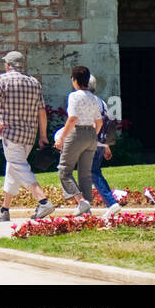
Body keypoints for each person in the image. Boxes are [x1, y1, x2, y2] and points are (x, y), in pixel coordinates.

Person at [0, 50, 55, 222]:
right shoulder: (34, 82)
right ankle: (4, 209)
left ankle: (43, 201)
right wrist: (43, 135)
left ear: (8, 65)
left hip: (10, 133)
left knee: (19, 167)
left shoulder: (3, 79)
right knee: (13, 168)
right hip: (29, 136)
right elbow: (41, 112)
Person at [54, 65, 103, 216]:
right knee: (85, 174)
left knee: (64, 170)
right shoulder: (94, 98)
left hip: (77, 133)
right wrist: (92, 134)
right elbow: (99, 121)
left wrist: (62, 138)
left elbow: (73, 118)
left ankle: (81, 202)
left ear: (74, 80)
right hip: (91, 134)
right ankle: (87, 211)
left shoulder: (74, 96)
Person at [88, 75, 122, 216]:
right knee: (91, 173)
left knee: (92, 173)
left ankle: (111, 203)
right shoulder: (101, 102)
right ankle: (85, 205)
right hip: (101, 142)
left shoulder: (86, 101)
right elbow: (106, 125)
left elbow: (92, 123)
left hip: (91, 141)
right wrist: (106, 146)